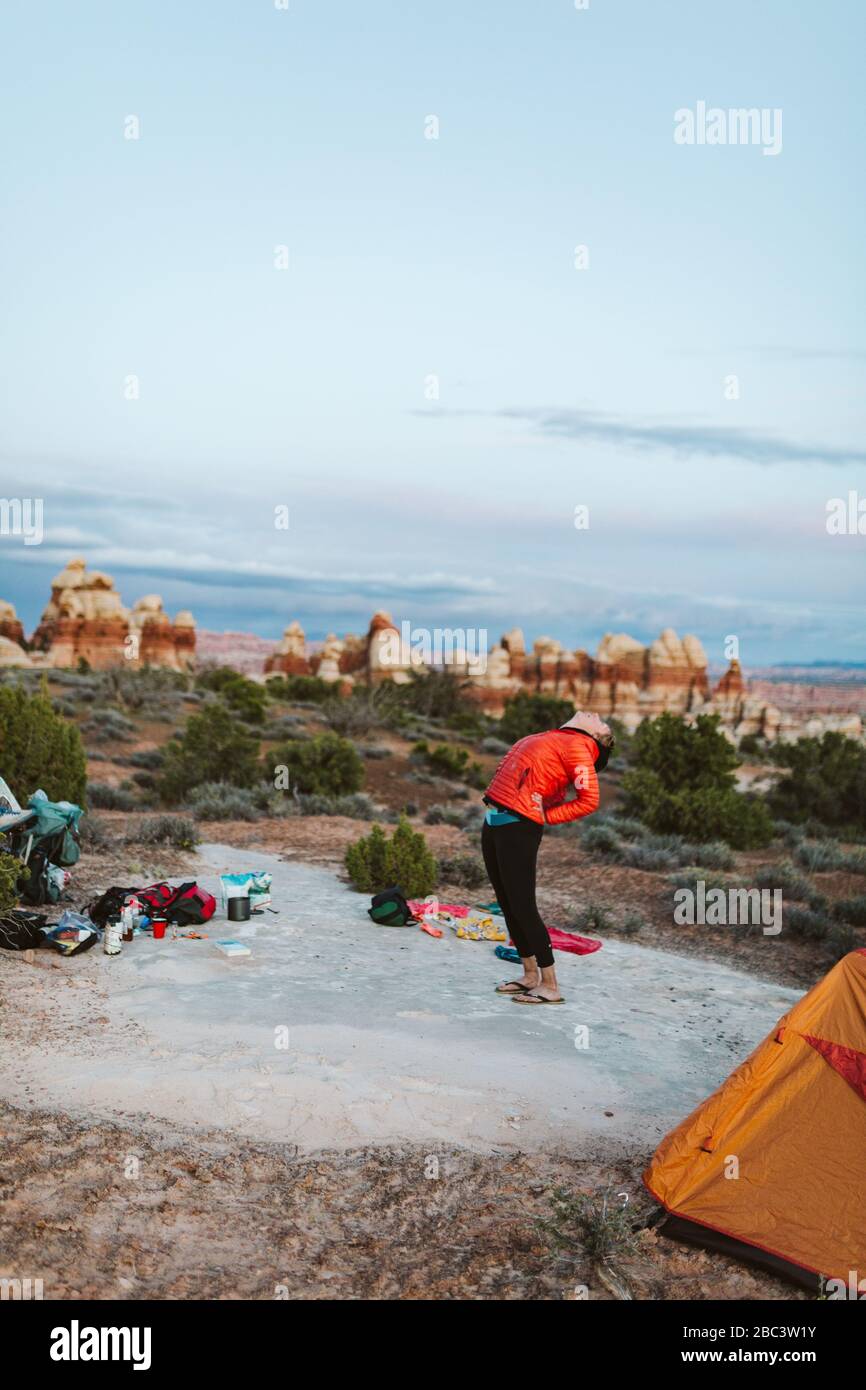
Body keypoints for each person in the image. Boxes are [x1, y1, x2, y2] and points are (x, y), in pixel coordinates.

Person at [481, 710, 613, 1005]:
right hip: (495, 820)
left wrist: (547, 815)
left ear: (597, 738)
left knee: (524, 906)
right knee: (507, 902)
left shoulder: (579, 747)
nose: (597, 716)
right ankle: (529, 976)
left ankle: (550, 985)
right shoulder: (558, 738)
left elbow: (588, 800)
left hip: (519, 826)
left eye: (602, 724)